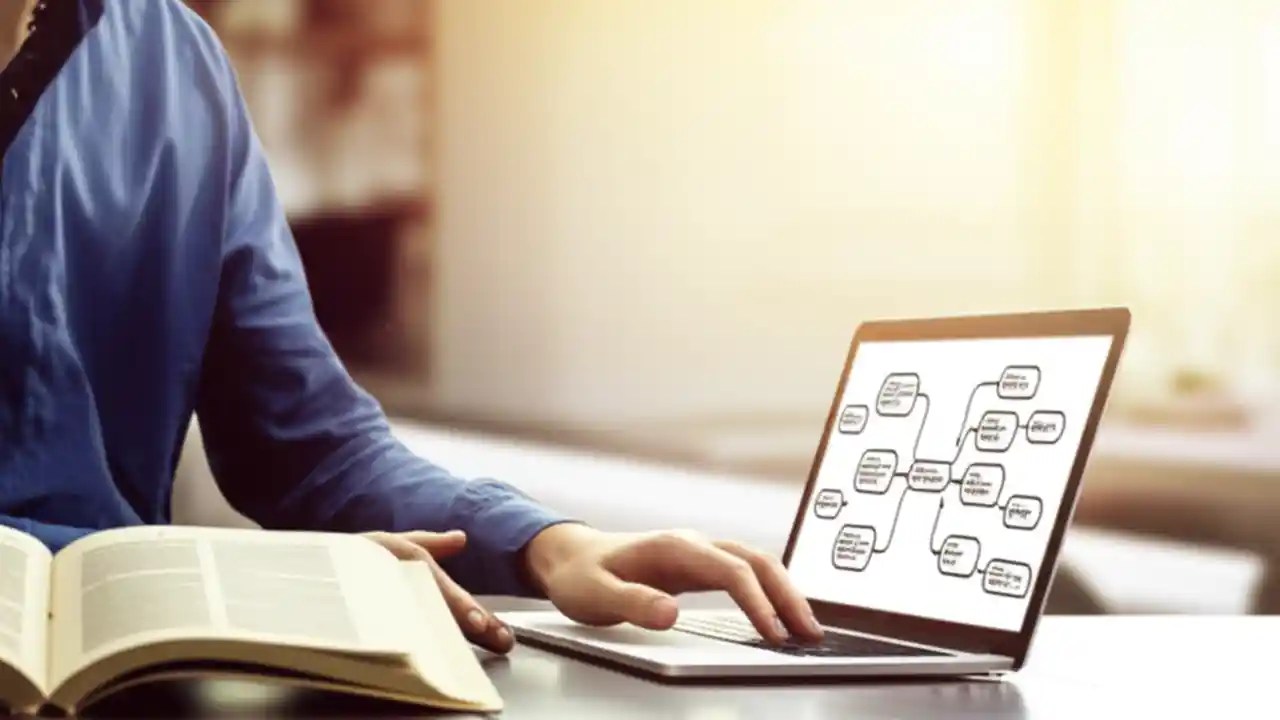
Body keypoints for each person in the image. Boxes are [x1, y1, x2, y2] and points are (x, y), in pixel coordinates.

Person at [0, 0, 821, 653]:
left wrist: (550, 545)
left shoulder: (177, 66)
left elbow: (311, 446)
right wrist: (265, 576)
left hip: (109, 678)